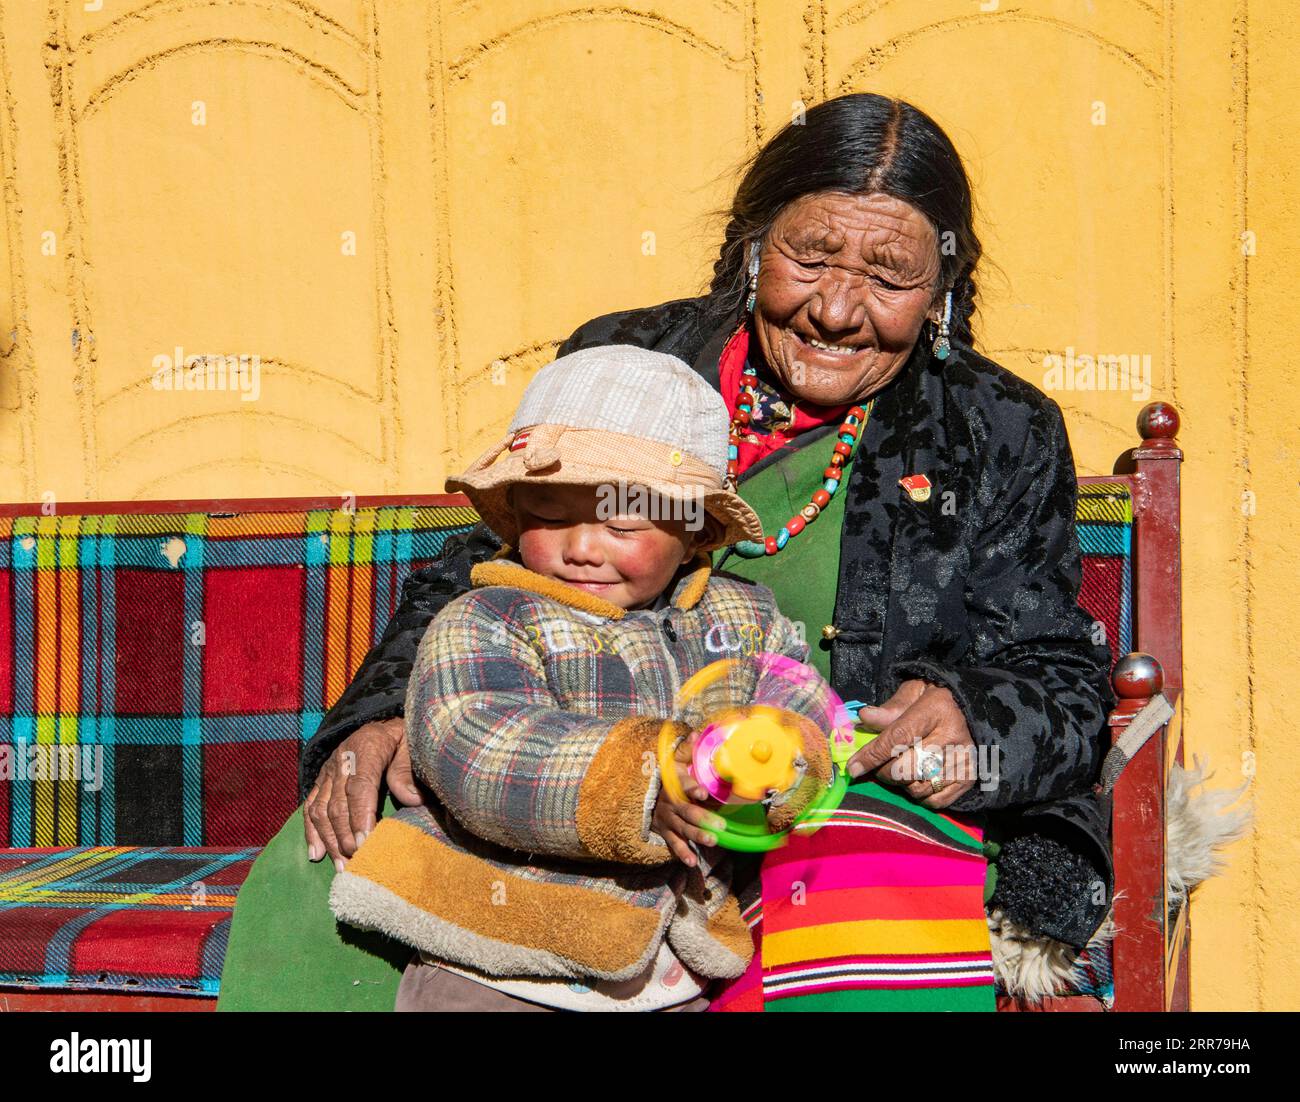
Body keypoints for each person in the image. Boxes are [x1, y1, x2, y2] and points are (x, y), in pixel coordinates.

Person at [218, 92, 1113, 1012]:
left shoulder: (997, 429)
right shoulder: (630, 360)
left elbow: (1056, 663)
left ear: (943, 287)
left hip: (805, 801)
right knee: (327, 862)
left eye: (890, 277)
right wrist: (379, 717)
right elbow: (481, 567)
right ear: (753, 245)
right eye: (809, 258)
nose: (840, 310)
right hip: (573, 758)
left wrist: (972, 716)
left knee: (854, 889)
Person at [329, 346, 840, 1011]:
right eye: (547, 512)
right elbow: (476, 744)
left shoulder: (741, 617)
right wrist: (648, 781)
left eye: (621, 520)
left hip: (669, 965)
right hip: (497, 951)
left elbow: (792, 689)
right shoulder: (488, 616)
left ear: (693, 532)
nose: (579, 546)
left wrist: (781, 752)